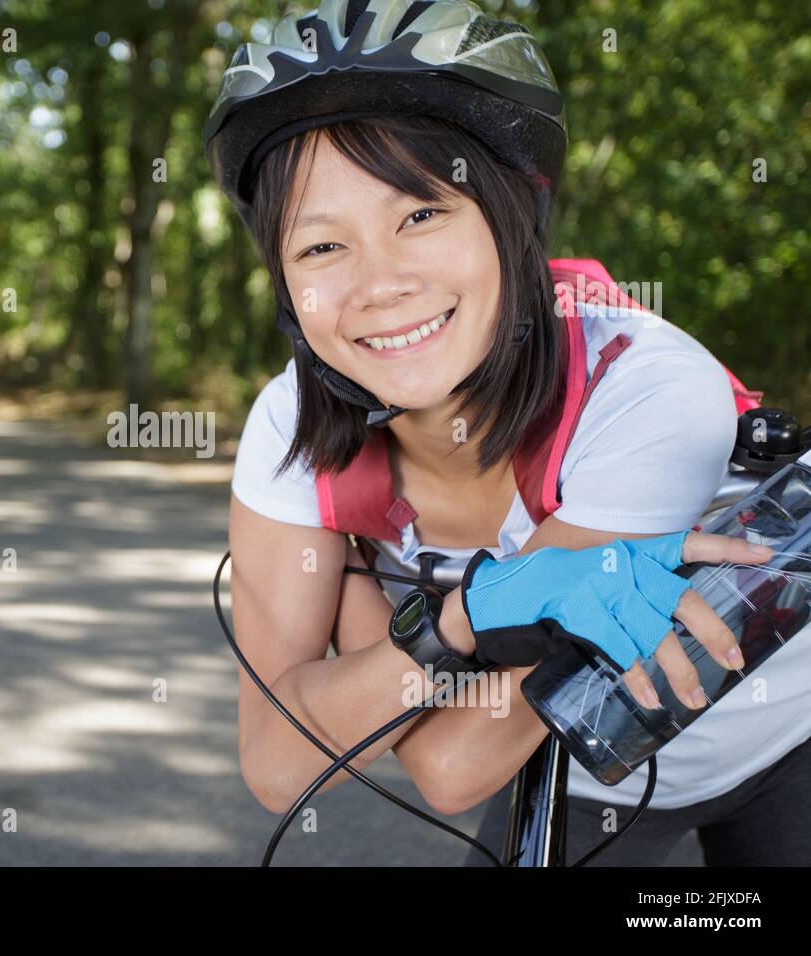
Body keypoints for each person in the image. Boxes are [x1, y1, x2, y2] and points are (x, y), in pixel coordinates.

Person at [204, 0, 811, 865]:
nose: (380, 285)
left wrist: (357, 589)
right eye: (321, 248)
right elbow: (277, 762)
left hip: (786, 727)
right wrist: (460, 625)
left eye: (420, 214)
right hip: (592, 774)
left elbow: (454, 760)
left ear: (510, 220)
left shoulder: (647, 389)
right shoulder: (288, 425)